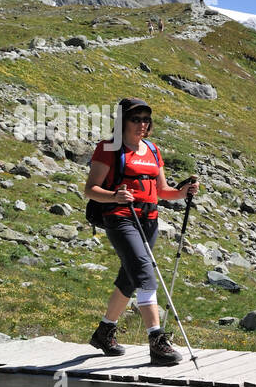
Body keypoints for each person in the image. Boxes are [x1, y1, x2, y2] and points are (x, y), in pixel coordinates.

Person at [83, 98, 198, 365]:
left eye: (146, 119)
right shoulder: (109, 148)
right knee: (145, 272)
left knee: (130, 277)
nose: (142, 124)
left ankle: (104, 332)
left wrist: (183, 192)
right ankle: (157, 340)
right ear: (122, 121)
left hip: (149, 220)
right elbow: (91, 189)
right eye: (136, 119)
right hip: (121, 218)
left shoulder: (152, 150)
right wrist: (115, 196)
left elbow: (161, 190)